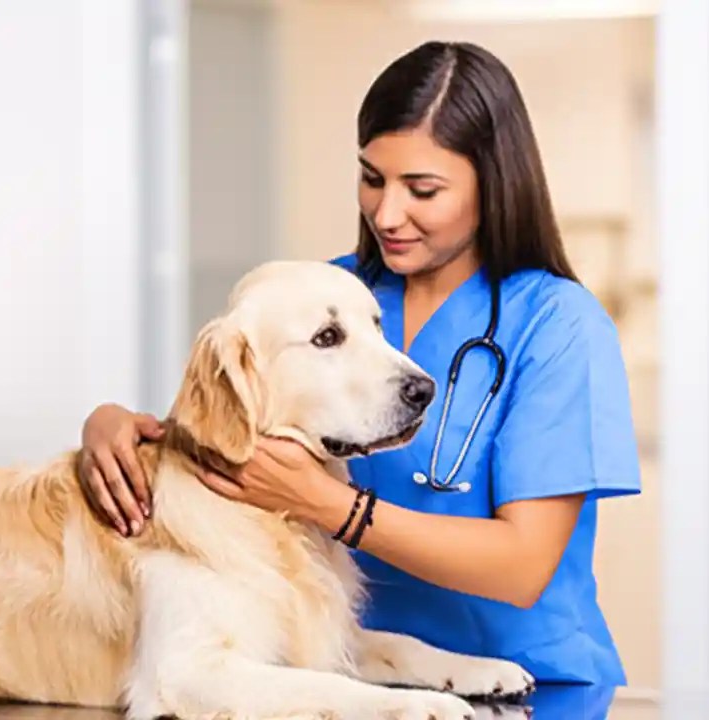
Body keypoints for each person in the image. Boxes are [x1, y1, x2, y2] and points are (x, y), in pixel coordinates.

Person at [75, 40, 642, 701]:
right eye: (372, 178)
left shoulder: (558, 324)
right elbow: (225, 436)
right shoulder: (332, 295)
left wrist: (329, 505)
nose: (386, 213)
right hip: (341, 678)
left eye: (422, 189)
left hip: (526, 685)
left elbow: (523, 566)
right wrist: (112, 428)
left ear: (495, 181)